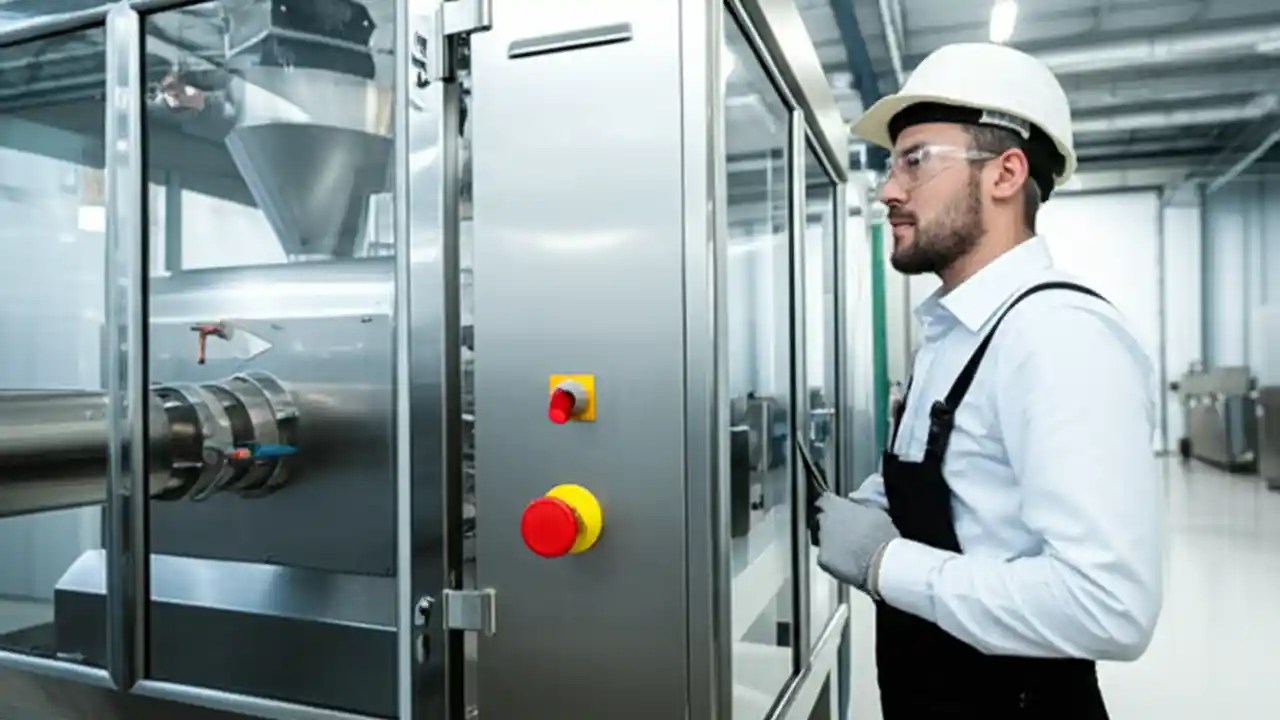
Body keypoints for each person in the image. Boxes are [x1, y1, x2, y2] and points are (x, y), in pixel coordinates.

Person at [815, 42, 1163, 719]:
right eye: (892, 165)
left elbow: (1111, 606)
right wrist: (876, 505)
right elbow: (962, 492)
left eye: (915, 160)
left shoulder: (1058, 338)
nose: (889, 189)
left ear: (1005, 174)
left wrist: (886, 564)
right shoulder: (952, 332)